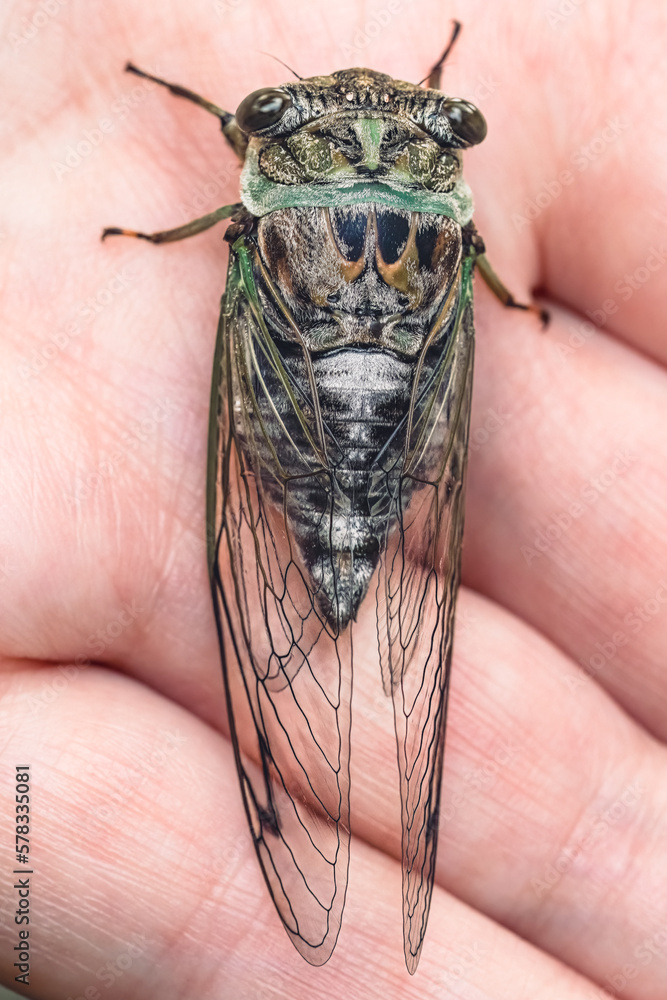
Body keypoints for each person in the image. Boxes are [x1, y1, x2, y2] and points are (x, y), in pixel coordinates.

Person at [1, 1, 666, 996]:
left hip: (296, 425)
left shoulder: (258, 205)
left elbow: (231, 150)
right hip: (397, 428)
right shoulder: (450, 229)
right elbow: (478, 257)